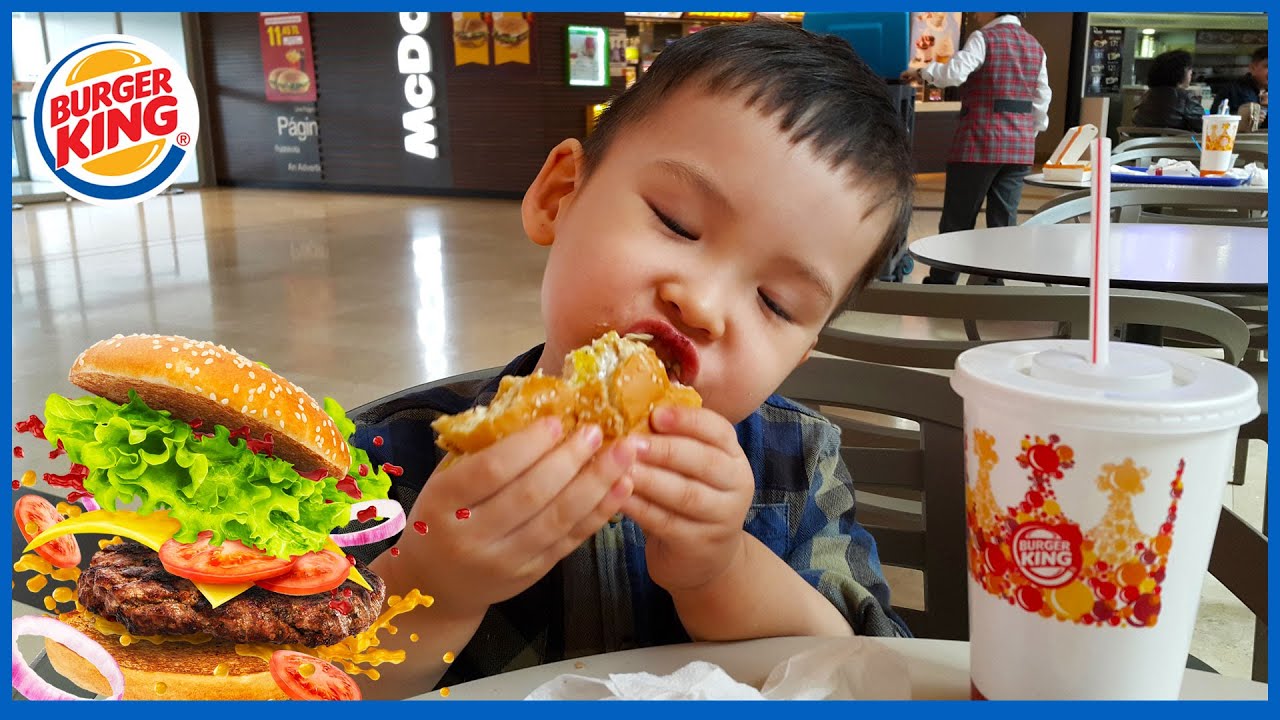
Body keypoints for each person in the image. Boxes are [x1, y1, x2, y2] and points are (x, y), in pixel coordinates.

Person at [349, 20, 915, 698]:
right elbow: (291, 684)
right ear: (560, 196)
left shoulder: (799, 460)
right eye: (676, 223)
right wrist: (433, 587)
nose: (702, 305)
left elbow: (861, 675)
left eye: (775, 301)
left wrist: (722, 569)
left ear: (800, 353)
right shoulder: (380, 460)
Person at [901, 12, 1050, 285]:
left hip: (978, 144)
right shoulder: (1034, 46)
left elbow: (954, 74)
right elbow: (1042, 99)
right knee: (1003, 223)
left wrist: (923, 71)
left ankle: (943, 281)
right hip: (1018, 149)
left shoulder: (984, 38)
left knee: (958, 219)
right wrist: (1027, 133)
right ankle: (993, 284)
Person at [1132, 50, 1204, 132]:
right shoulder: (1186, 98)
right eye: (1189, 68)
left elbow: (1135, 120)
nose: (1191, 71)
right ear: (1180, 72)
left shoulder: (1146, 97)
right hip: (1175, 144)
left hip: (1142, 144)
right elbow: (1205, 127)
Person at [1213, 46, 1267, 131]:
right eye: (1267, 66)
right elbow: (1214, 121)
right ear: (1252, 68)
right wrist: (1246, 116)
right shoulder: (1232, 90)